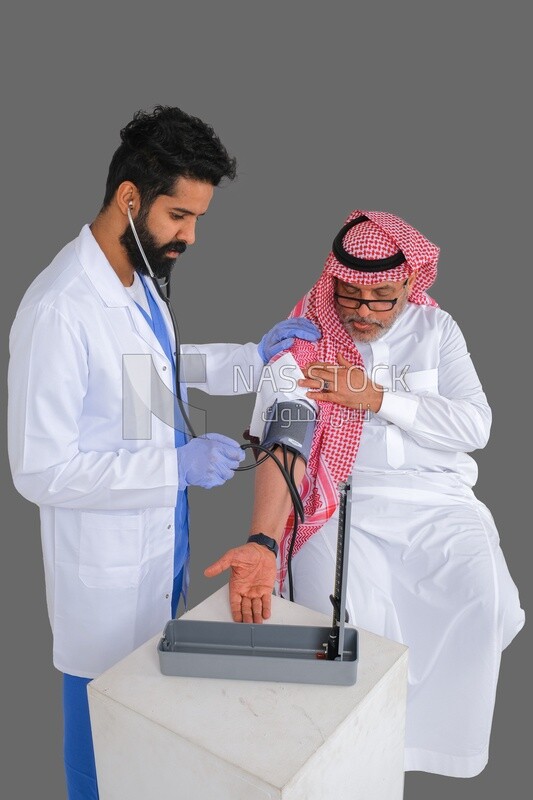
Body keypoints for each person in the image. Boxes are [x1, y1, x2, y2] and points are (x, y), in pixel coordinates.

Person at [7, 105, 319, 800]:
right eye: (179, 215)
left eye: (199, 218)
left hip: (158, 553)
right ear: (129, 198)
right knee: (99, 756)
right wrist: (171, 467)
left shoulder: (135, 276)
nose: (191, 235)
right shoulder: (61, 307)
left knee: (143, 746)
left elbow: (147, 371)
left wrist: (249, 357)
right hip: (107, 580)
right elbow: (38, 468)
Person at [206, 209, 525, 779]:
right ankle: (360, 764)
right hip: (345, 498)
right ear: (334, 281)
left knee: (489, 604)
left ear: (410, 282)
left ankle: (421, 752)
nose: (363, 312)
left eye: (383, 297)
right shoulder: (309, 332)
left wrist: (375, 398)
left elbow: (476, 427)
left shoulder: (438, 330)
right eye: (350, 295)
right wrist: (262, 538)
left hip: (439, 501)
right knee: (341, 624)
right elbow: (286, 433)